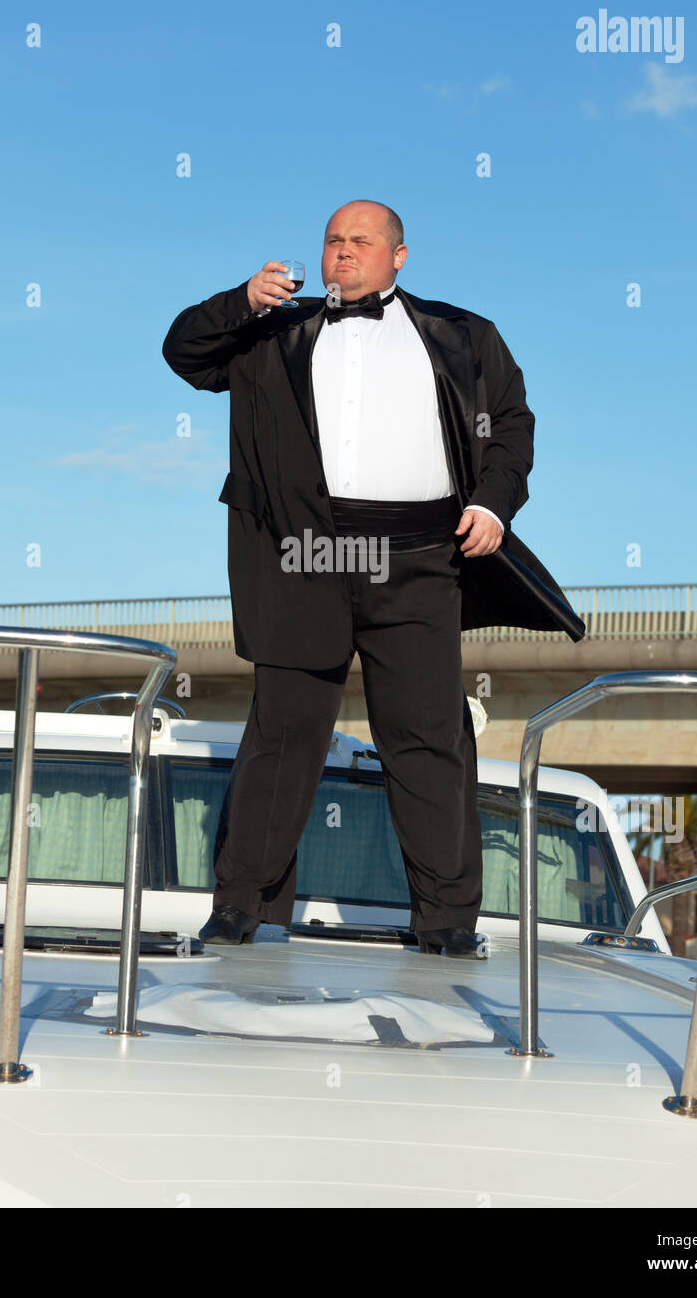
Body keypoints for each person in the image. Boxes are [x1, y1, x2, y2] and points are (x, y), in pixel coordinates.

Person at [163, 200, 578, 957]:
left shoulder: (462, 334)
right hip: (304, 553)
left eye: (359, 241)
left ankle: (447, 922)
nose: (342, 253)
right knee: (284, 730)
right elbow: (184, 353)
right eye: (331, 241)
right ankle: (240, 907)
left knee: (426, 737)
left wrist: (493, 501)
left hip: (420, 556)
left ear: (399, 256)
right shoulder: (269, 330)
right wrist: (238, 300)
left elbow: (510, 425)